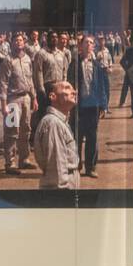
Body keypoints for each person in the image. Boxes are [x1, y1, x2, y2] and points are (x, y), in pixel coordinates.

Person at [0, 31, 34, 174]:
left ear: (24, 43)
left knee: (26, 130)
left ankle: (24, 159)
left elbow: (30, 80)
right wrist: (3, 104)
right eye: (16, 40)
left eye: (21, 40)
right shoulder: (7, 60)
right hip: (13, 100)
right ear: (11, 43)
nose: (19, 42)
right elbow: (3, 83)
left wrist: (34, 97)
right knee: (12, 131)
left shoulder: (27, 59)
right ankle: (10, 163)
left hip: (26, 98)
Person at [33, 80, 79, 189]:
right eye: (67, 88)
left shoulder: (59, 121)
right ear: (52, 96)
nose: (74, 92)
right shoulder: (53, 124)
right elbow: (57, 174)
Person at [74, 35, 109, 176]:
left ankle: (90, 168)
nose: (89, 45)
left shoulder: (97, 65)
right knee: (77, 137)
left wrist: (103, 105)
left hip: (93, 106)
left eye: (91, 43)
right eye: (86, 42)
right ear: (80, 46)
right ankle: (76, 165)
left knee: (92, 137)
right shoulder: (74, 64)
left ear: (93, 46)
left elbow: (102, 86)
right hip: (78, 107)